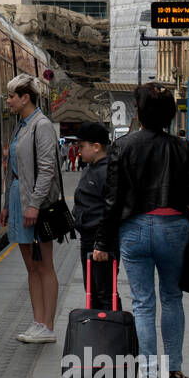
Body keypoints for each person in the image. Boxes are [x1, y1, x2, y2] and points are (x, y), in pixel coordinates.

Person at [93, 83, 189, 378]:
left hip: (135, 230)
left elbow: (112, 201)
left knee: (143, 304)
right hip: (173, 229)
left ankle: (148, 376)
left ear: (138, 113)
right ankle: (175, 369)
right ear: (170, 116)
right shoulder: (184, 148)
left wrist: (102, 243)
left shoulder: (123, 146)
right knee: (171, 298)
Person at [1, 73, 62, 345]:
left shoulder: (42, 125)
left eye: (11, 96)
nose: (8, 101)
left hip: (34, 203)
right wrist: (6, 205)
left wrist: (35, 204)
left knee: (44, 264)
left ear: (26, 98)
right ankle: (38, 321)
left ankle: (48, 325)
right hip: (18, 200)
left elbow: (48, 168)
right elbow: (12, 171)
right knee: (31, 266)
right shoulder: (21, 126)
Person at [73, 121, 115, 309]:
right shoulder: (90, 169)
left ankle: (111, 332)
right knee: (93, 290)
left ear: (96, 147)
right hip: (89, 238)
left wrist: (103, 244)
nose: (79, 151)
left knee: (104, 293)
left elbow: (111, 209)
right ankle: (100, 331)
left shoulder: (106, 172)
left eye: (82, 146)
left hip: (99, 241)